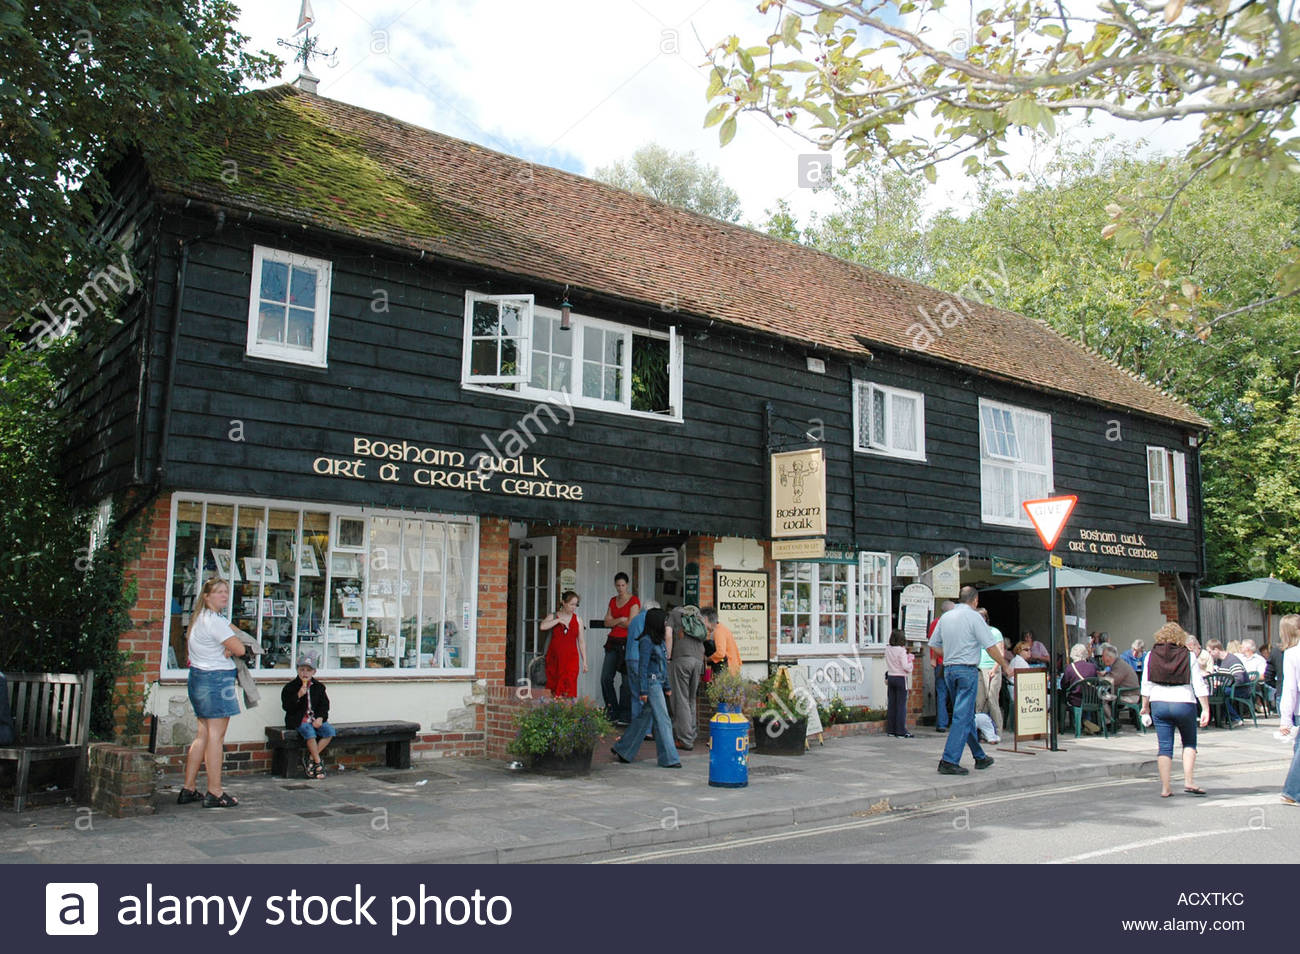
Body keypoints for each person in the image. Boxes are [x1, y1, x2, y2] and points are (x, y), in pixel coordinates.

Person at [928, 586, 1014, 775]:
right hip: (967, 670)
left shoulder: (946, 617)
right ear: (975, 600)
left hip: (949, 670)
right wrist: (1005, 665)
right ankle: (948, 760)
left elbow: (933, 644)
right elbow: (991, 647)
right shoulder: (974, 617)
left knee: (965, 715)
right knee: (961, 716)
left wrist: (949, 654)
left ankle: (979, 756)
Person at [179, 577, 247, 808]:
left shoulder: (201, 618)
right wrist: (232, 645)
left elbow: (233, 630)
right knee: (216, 737)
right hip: (218, 680)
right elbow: (241, 648)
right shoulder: (214, 621)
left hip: (198, 678)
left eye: (226, 592)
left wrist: (230, 641)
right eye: (218, 592)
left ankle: (188, 787)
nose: (224, 596)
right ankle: (215, 791)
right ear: (207, 596)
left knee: (203, 735)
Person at [1139, 622, 1210, 798]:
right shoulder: (1188, 656)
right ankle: (1189, 781)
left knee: (1164, 747)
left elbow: (1146, 684)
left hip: (1159, 702)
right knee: (1189, 743)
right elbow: (1198, 684)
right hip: (1184, 702)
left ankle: (1165, 787)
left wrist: (1144, 706)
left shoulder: (1150, 655)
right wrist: (1206, 709)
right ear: (1181, 638)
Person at [611, 608, 681, 769]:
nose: (666, 624)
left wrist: (668, 685)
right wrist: (643, 691)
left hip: (659, 682)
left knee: (645, 718)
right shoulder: (646, 641)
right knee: (664, 720)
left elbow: (663, 665)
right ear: (656, 623)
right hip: (651, 684)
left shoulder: (659, 641)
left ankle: (623, 749)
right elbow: (643, 667)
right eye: (664, 621)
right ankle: (669, 758)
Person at [281, 652, 334, 779]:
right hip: (299, 719)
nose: (305, 673)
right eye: (302, 669)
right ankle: (317, 762)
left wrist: (321, 718)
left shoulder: (319, 687)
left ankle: (310, 758)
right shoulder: (290, 687)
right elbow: (287, 707)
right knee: (309, 732)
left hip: (314, 718)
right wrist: (298, 695)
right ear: (297, 670)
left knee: (329, 731)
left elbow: (324, 705)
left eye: (308, 670)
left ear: (314, 672)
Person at [602, 572, 640, 724]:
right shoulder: (613, 600)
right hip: (612, 642)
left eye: (623, 585)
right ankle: (612, 711)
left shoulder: (634, 601)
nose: (620, 588)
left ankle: (625, 714)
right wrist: (619, 620)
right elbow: (606, 622)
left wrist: (614, 621)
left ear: (627, 585)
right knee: (605, 677)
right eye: (618, 585)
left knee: (626, 681)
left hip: (627, 642)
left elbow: (631, 624)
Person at [669, 605, 707, 750]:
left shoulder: (673, 615)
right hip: (698, 660)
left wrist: (668, 657)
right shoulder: (698, 617)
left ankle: (685, 740)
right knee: (691, 699)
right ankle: (691, 734)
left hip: (682, 659)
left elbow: (667, 635)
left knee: (681, 699)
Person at [541, 591, 586, 699]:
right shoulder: (554, 616)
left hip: (571, 658)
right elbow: (542, 626)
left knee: (569, 687)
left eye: (576, 604)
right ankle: (554, 712)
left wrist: (585, 661)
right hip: (555, 658)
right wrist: (558, 620)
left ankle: (567, 712)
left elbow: (581, 641)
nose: (574, 607)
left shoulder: (578, 620)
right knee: (554, 687)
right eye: (571, 604)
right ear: (563, 603)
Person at [624, 598, 657, 722]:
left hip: (629, 658)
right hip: (640, 658)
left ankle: (635, 726)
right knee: (644, 694)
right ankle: (645, 729)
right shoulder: (648, 619)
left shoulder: (634, 620)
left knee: (634, 694)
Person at [975, 608, 1003, 737]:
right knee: (980, 702)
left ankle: (997, 731)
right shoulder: (975, 633)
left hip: (991, 668)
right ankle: (980, 732)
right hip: (978, 668)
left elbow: (1000, 652)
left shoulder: (994, 632)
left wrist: (995, 668)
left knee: (992, 700)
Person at [929, 600, 955, 732]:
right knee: (954, 693)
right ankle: (955, 723)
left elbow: (933, 642)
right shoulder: (954, 624)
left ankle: (942, 723)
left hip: (940, 662)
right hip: (950, 662)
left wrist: (933, 658)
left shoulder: (935, 623)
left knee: (942, 693)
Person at [884, 629, 914, 738]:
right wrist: (911, 663)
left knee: (892, 704)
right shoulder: (902, 651)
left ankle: (891, 730)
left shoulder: (887, 649)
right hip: (901, 678)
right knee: (901, 705)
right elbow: (905, 666)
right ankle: (901, 731)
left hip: (891, 676)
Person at [702, 606, 741, 672]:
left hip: (728, 669)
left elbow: (720, 653)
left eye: (700, 620)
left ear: (705, 619)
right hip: (731, 666)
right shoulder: (719, 628)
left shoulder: (718, 632)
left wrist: (706, 659)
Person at [1060, 643, 1098, 708]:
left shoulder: (1070, 667)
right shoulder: (1093, 667)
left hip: (1076, 701)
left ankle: (1062, 717)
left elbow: (1063, 685)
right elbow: (1096, 682)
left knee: (1062, 696)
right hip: (1091, 699)